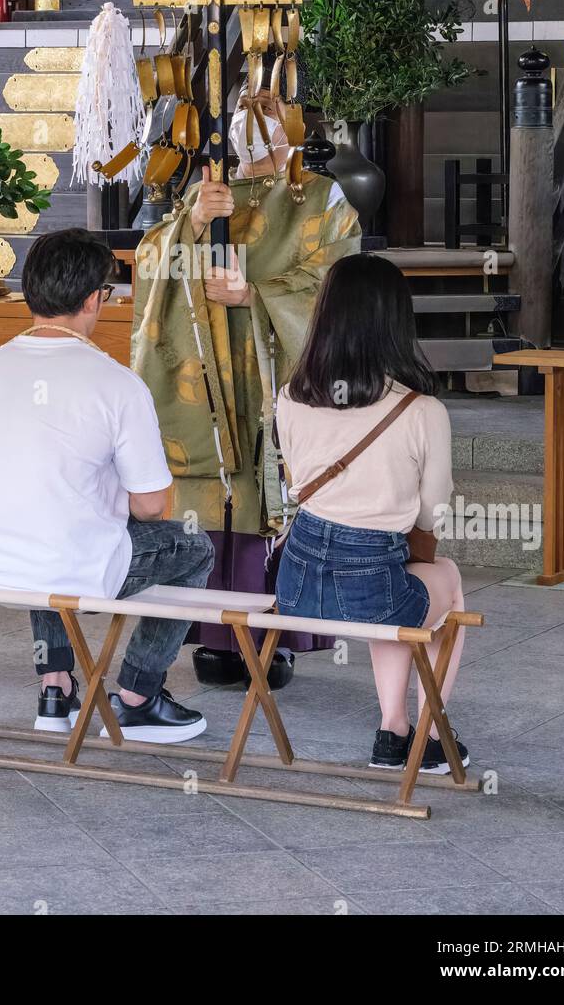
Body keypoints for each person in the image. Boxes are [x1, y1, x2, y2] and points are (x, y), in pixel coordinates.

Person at [132, 94, 361, 688]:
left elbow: (337, 281)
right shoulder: (209, 188)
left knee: (272, 500)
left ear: (293, 125)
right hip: (207, 376)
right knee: (214, 504)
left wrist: (255, 297)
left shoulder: (320, 195)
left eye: (271, 108)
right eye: (244, 111)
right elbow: (153, 260)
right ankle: (210, 634)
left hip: (276, 372)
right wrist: (193, 221)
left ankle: (275, 639)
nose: (253, 123)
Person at [0, 228, 214, 745]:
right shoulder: (116, 383)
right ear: (96, 298)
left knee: (43, 519)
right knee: (195, 549)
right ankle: (139, 698)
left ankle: (55, 687)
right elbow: (150, 506)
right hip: (77, 568)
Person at [275, 253, 469, 774]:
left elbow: (295, 484)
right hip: (370, 585)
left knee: (402, 600)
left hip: (297, 585)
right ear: (395, 322)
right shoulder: (422, 410)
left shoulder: (290, 397)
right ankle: (423, 734)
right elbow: (434, 513)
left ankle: (393, 729)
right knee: (443, 581)